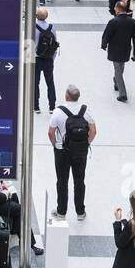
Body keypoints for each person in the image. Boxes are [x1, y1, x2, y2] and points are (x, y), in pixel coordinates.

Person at [49, 85, 97, 219]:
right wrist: (86, 143)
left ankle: (61, 212)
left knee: (62, 181)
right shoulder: (86, 111)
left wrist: (55, 144)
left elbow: (50, 132)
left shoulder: (58, 112)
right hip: (80, 152)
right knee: (79, 181)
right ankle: (80, 212)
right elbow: (93, 131)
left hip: (62, 151)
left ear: (66, 96)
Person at [101, 0, 135, 103]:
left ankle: (123, 94)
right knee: (120, 67)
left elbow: (107, 35)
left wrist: (104, 45)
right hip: (126, 49)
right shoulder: (132, 22)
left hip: (115, 49)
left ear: (118, 9)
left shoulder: (113, 22)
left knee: (118, 70)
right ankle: (117, 82)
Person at [34, 7, 59, 113]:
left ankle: (36, 106)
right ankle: (52, 106)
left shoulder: (33, 27)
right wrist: (52, 57)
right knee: (50, 82)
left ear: (36, 16)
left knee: (35, 83)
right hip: (48, 59)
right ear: (47, 17)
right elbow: (55, 43)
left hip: (36, 59)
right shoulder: (52, 28)